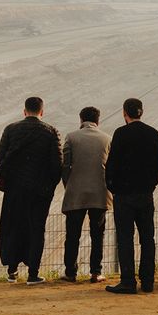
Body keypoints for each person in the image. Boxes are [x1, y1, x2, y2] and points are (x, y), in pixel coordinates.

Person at [0, 96, 62, 285]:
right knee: (36, 229)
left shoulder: (10, 129)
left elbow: (0, 158)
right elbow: (57, 164)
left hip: (15, 190)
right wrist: (49, 186)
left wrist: (11, 181)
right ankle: (33, 274)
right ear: (42, 112)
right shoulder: (51, 132)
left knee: (14, 226)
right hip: (40, 192)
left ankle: (12, 270)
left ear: (24, 111)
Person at [104, 97, 158, 294]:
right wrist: (151, 185)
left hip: (124, 195)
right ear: (141, 112)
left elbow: (112, 164)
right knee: (147, 238)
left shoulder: (121, 134)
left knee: (125, 238)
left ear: (124, 113)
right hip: (145, 194)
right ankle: (148, 281)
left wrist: (113, 187)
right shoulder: (153, 134)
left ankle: (128, 281)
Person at [59, 106, 112, 283]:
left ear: (81, 120)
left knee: (72, 235)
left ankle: (70, 272)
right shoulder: (107, 139)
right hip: (100, 193)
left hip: (76, 193)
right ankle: (96, 272)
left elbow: (65, 166)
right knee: (97, 235)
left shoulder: (71, 137)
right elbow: (111, 167)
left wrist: (69, 185)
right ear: (98, 121)